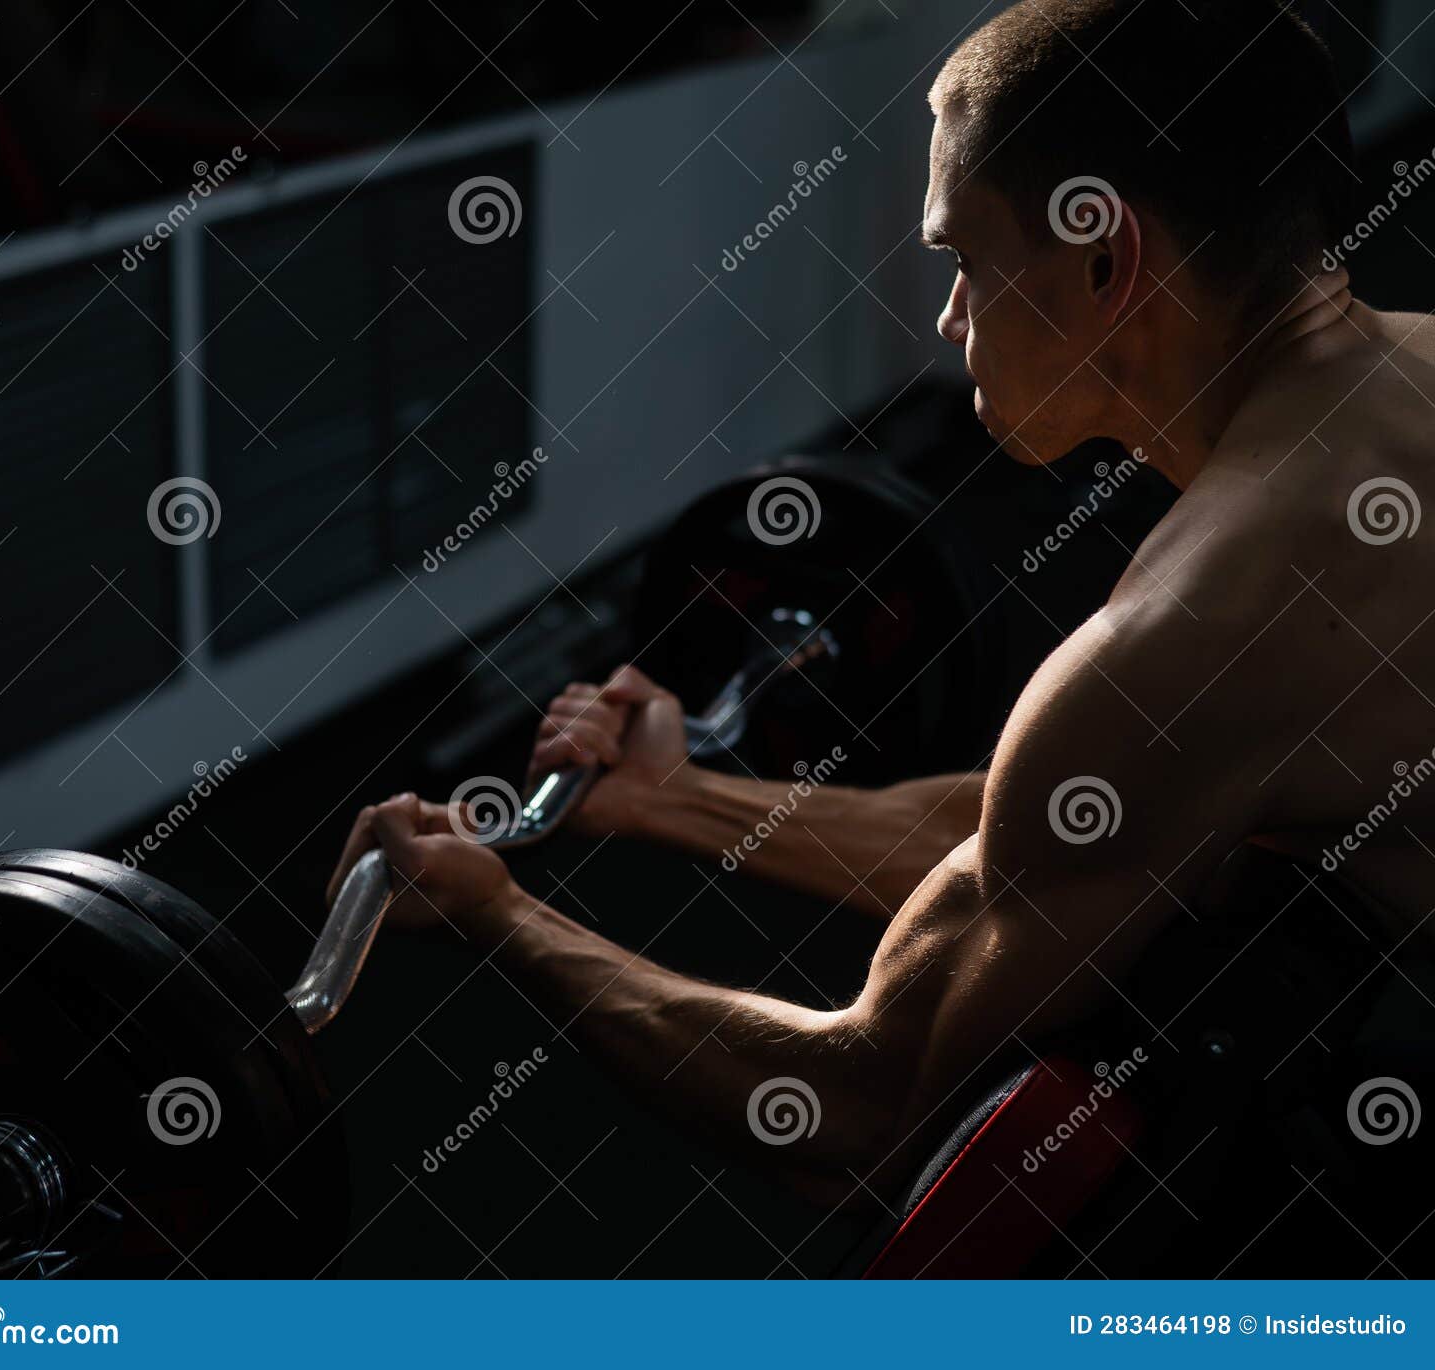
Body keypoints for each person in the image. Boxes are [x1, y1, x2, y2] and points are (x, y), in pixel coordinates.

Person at [328, 0, 1435, 1206]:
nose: (953, 316)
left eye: (963, 257)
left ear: (1104, 255)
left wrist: (500, 914)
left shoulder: (1193, 628)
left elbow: (861, 1099)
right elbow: (1074, 827)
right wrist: (680, 799)